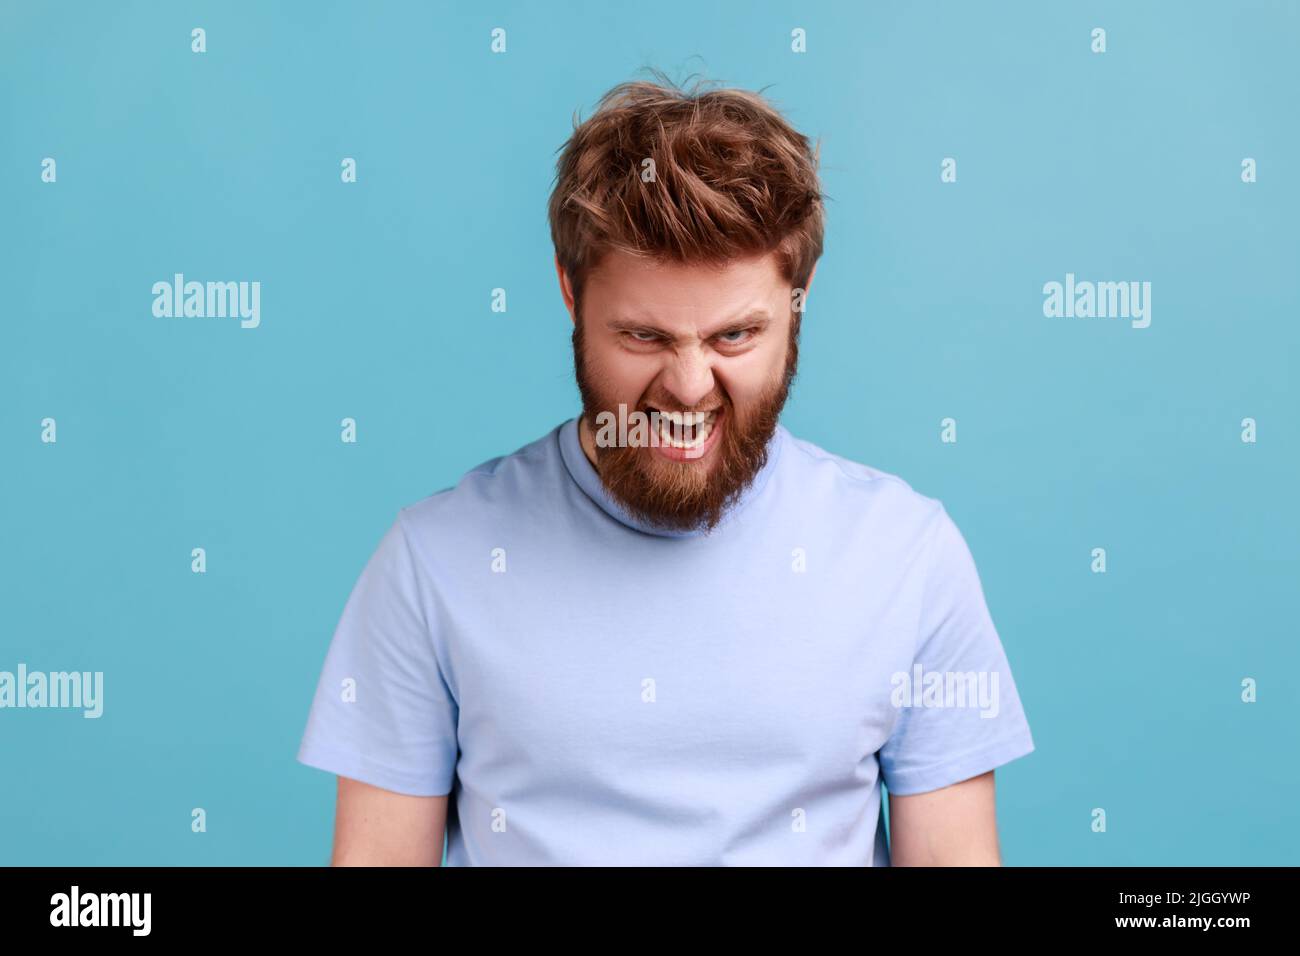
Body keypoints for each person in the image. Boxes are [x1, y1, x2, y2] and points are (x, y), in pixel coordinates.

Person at [297, 75, 1035, 866]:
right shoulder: (431, 562)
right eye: (645, 337)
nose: (688, 387)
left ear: (799, 301)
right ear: (570, 294)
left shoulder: (907, 557)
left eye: (734, 337)